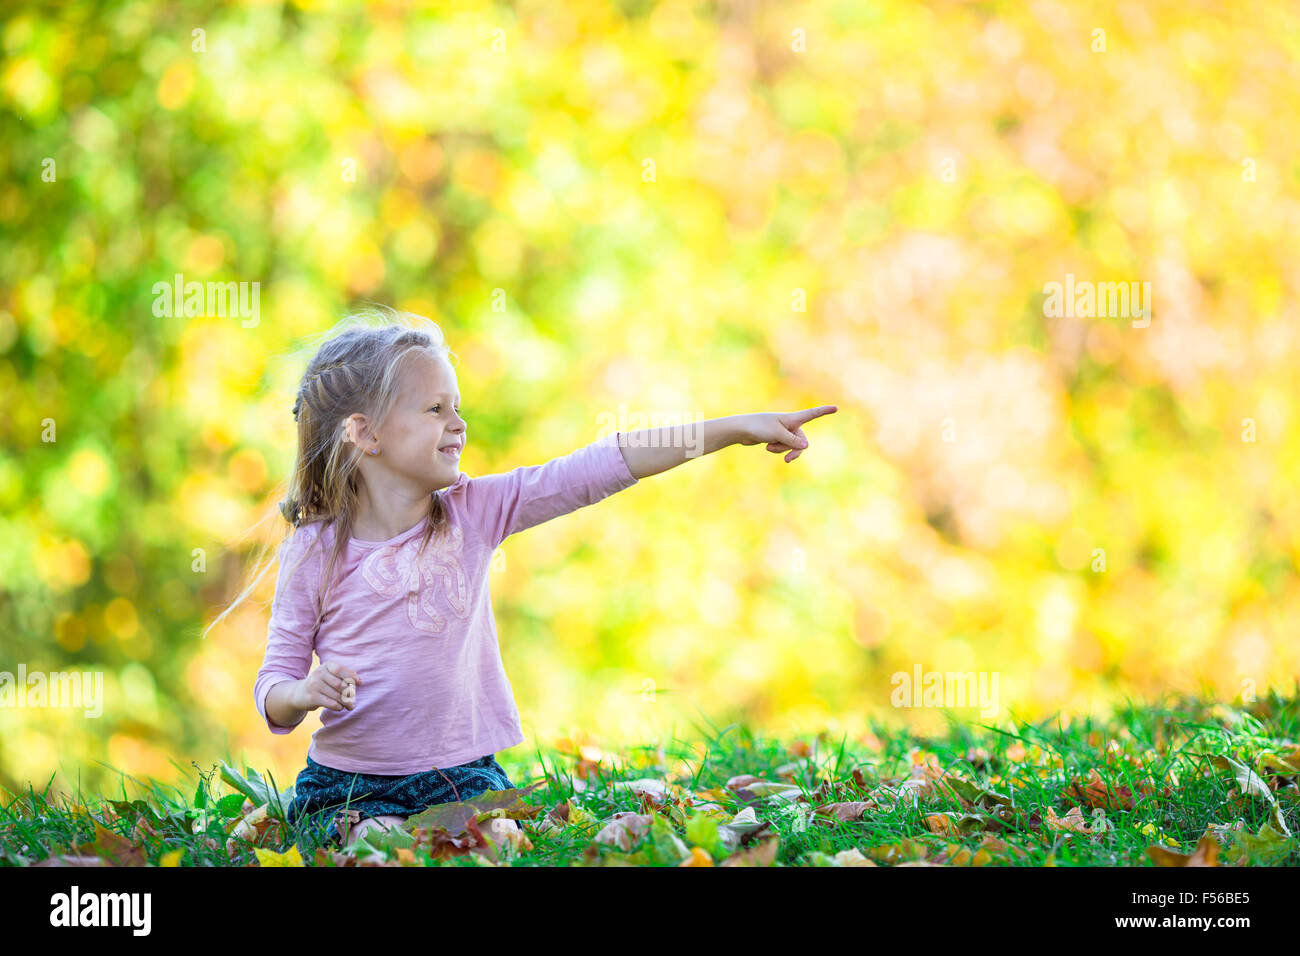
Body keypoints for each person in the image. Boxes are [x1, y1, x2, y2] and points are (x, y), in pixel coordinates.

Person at [213, 306, 836, 850]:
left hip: (464, 774)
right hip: (349, 784)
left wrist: (731, 428)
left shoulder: (474, 512)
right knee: (379, 844)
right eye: (435, 409)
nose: (458, 424)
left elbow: (602, 463)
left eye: (458, 408)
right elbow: (275, 685)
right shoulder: (317, 549)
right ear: (365, 433)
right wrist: (304, 692)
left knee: (498, 837)